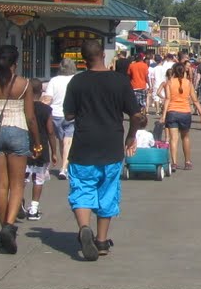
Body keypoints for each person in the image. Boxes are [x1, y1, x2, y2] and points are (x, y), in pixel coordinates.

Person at [64, 38, 148, 261]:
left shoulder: (77, 82)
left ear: (83, 59)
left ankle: (84, 228)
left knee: (81, 188)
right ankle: (101, 241)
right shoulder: (119, 81)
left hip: (83, 144)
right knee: (108, 191)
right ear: (103, 55)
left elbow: (68, 115)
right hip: (111, 144)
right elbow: (136, 115)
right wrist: (131, 136)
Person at [0, 44, 42, 255]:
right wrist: (37, 141)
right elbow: (31, 117)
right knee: (17, 185)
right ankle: (9, 226)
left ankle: (2, 227)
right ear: (15, 64)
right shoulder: (24, 85)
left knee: (1, 185)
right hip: (18, 132)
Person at [160, 60, 201, 169]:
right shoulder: (188, 83)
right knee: (185, 137)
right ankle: (188, 162)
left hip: (172, 112)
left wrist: (163, 115)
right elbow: (195, 100)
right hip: (185, 112)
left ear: (174, 71)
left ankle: (174, 163)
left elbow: (167, 99)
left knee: (173, 138)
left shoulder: (169, 82)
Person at [22, 79, 54, 221]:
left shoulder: (23, 108)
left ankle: (17, 203)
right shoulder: (46, 109)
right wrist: (54, 151)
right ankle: (34, 208)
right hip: (42, 146)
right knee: (38, 179)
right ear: (41, 92)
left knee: (23, 177)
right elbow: (51, 131)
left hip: (24, 145)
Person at [46, 59, 78, 180]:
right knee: (67, 142)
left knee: (61, 140)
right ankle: (64, 168)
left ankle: (63, 165)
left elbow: (48, 98)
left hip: (55, 114)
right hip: (71, 114)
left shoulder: (54, 80)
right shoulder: (75, 80)